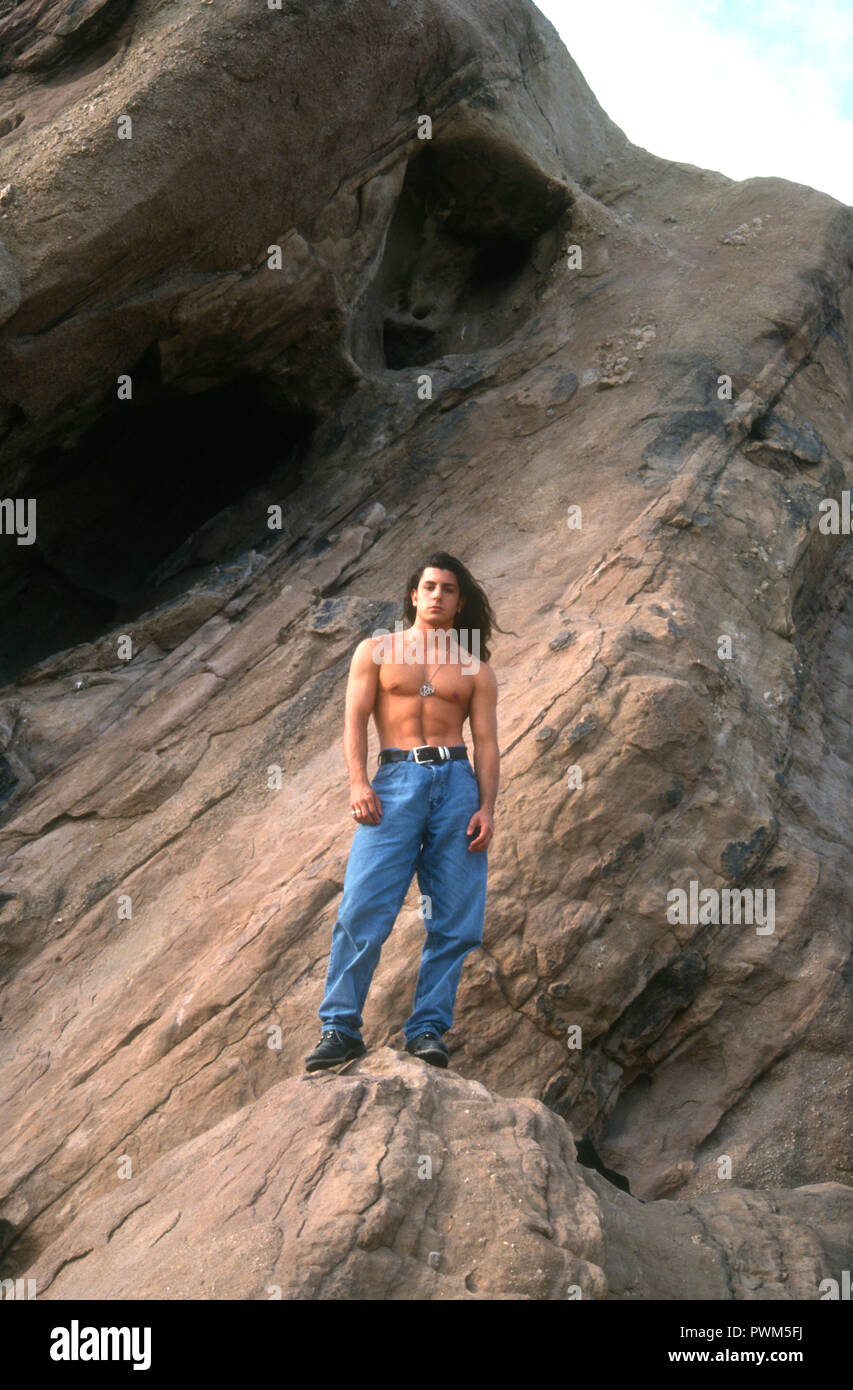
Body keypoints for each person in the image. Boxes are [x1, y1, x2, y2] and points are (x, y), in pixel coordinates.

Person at [305, 551, 500, 1071]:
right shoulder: (376, 651)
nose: (438, 596)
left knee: (456, 918)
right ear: (414, 595)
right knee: (363, 906)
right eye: (429, 587)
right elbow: (353, 722)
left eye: (448, 589)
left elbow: (486, 743)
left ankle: (427, 1030)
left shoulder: (474, 668)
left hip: (457, 782)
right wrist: (357, 782)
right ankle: (339, 1028)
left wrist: (486, 806)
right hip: (394, 781)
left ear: (459, 603)